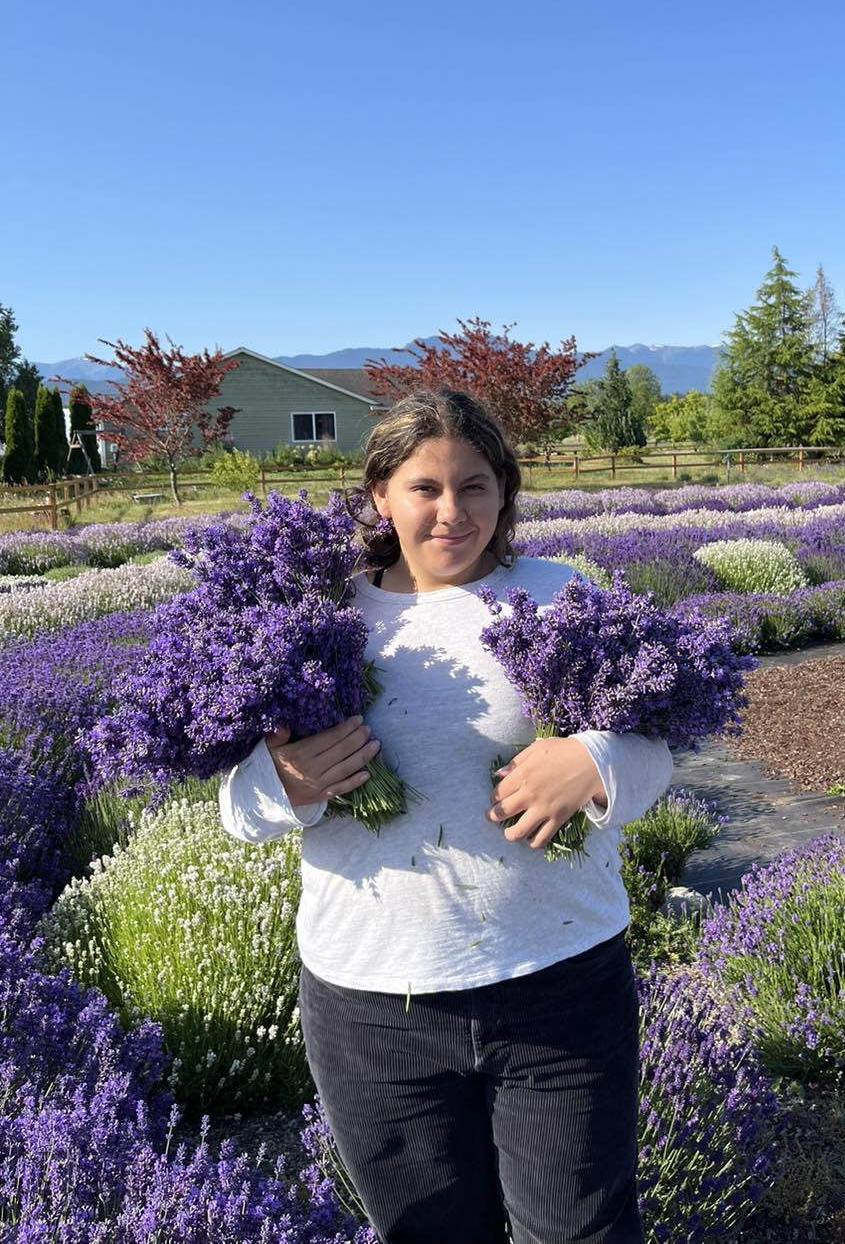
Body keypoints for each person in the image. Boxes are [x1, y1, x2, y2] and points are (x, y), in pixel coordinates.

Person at [219, 387, 673, 1244]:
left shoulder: (561, 594)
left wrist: (595, 763)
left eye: (474, 486)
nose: (451, 511)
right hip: (372, 1003)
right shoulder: (310, 619)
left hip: (558, 984)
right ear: (381, 497)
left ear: (504, 492)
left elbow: (656, 750)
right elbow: (237, 810)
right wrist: (286, 783)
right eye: (425, 488)